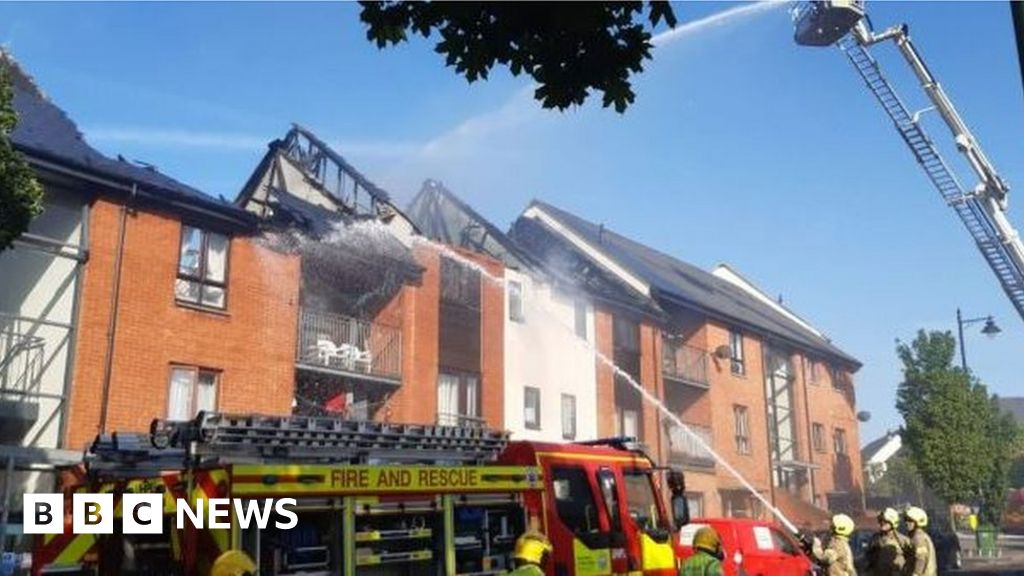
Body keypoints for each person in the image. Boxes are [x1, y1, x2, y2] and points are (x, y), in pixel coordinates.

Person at [865, 507, 912, 576]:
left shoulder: (902, 540)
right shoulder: (875, 539)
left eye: (885, 521)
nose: (882, 523)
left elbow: (911, 559)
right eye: (880, 520)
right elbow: (868, 559)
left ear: (893, 522)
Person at [903, 507, 937, 576]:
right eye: (906, 519)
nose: (907, 523)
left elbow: (921, 559)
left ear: (917, 522)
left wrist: (915, 574)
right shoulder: (919, 536)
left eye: (910, 520)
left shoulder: (918, 538)